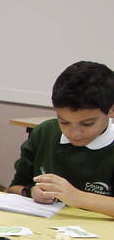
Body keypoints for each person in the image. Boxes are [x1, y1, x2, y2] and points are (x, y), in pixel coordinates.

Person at [7, 60, 114, 217]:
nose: (74, 133)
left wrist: (77, 197)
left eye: (87, 124)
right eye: (64, 122)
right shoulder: (45, 133)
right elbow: (13, 189)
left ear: (111, 110)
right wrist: (31, 191)